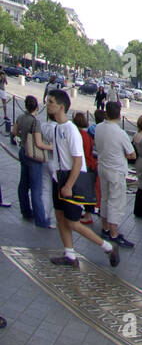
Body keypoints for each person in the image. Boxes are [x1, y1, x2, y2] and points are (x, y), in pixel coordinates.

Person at [45, 90, 120, 269]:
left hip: (70, 178)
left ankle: (107, 247)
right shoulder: (57, 128)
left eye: (51, 102)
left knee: (73, 222)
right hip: (59, 177)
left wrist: (69, 184)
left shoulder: (71, 130)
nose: (48, 105)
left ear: (61, 107)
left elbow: (78, 160)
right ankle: (69, 253)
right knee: (60, 216)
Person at [94, 101, 136, 247]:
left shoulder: (99, 127)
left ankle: (105, 227)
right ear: (119, 114)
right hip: (116, 169)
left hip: (102, 165)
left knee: (105, 198)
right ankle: (114, 232)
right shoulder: (120, 133)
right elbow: (132, 154)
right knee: (115, 201)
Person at [11, 94, 51, 227]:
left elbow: (14, 131)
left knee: (23, 183)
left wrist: (23, 136)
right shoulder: (35, 122)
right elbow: (39, 143)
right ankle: (40, 219)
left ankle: (25, 210)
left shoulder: (21, 117)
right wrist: (51, 146)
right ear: (37, 107)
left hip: (23, 150)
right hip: (33, 154)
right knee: (36, 188)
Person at [72, 112, 99, 224]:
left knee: (83, 192)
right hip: (90, 164)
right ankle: (87, 213)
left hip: (85, 165)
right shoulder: (86, 134)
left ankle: (87, 215)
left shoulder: (78, 135)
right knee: (88, 191)